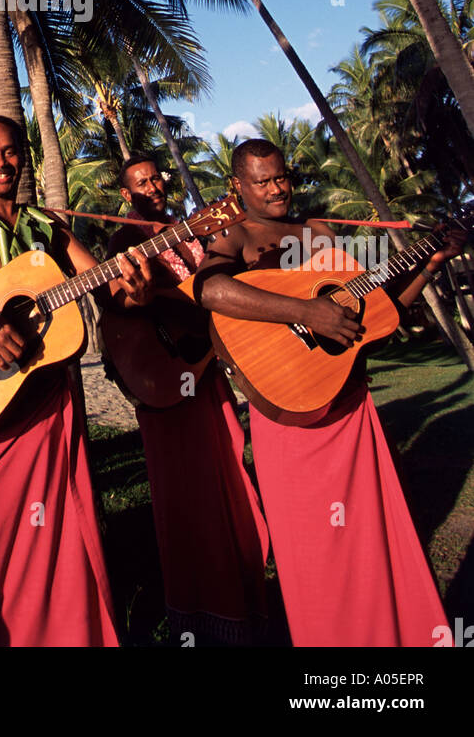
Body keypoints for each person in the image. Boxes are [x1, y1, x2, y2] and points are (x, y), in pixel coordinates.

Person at [191, 138, 463, 648]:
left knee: (372, 539)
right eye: (262, 181)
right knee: (315, 549)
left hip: (349, 406)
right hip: (287, 415)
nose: (276, 189)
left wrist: (430, 263)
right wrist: (305, 311)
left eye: (281, 177)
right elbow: (210, 290)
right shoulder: (235, 234)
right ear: (237, 186)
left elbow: (379, 314)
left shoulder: (316, 232)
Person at [0, 115, 151, 647]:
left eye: (11, 151)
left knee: (60, 546)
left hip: (44, 405)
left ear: (24, 157)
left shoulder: (50, 228)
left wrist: (135, 284)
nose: (1, 163)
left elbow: (108, 293)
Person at [102, 155, 269, 645]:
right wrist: (182, 298)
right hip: (165, 373)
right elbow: (125, 301)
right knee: (187, 489)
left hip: (204, 363)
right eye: (141, 183)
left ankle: (241, 602)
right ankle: (201, 608)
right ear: (126, 195)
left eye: (156, 177)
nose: (153, 186)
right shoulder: (123, 241)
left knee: (228, 470)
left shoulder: (191, 229)